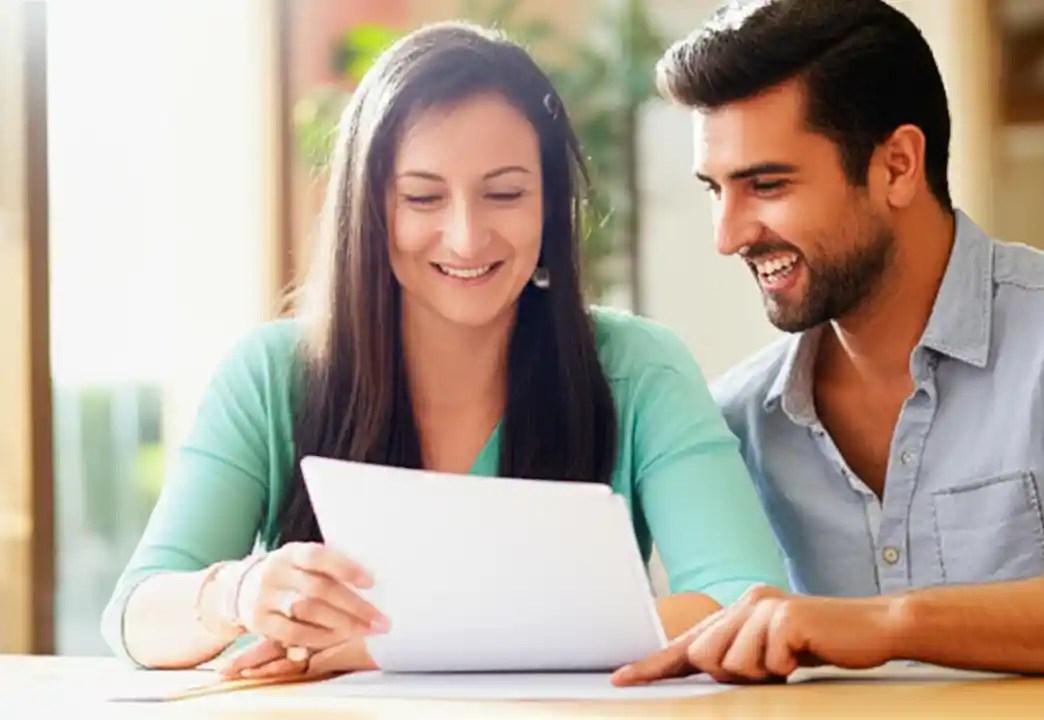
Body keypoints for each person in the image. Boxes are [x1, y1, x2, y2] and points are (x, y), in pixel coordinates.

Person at [614, 0, 1044, 686]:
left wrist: (890, 624)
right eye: (715, 190)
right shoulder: (736, 423)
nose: (728, 236)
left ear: (898, 165)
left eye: (767, 184)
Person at [101, 21, 788, 678]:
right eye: (423, 198)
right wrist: (240, 593)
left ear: (551, 205)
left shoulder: (638, 367)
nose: (466, 237)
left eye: (505, 193)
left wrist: (388, 645)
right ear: (369, 209)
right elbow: (136, 616)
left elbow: (746, 604)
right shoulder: (272, 373)